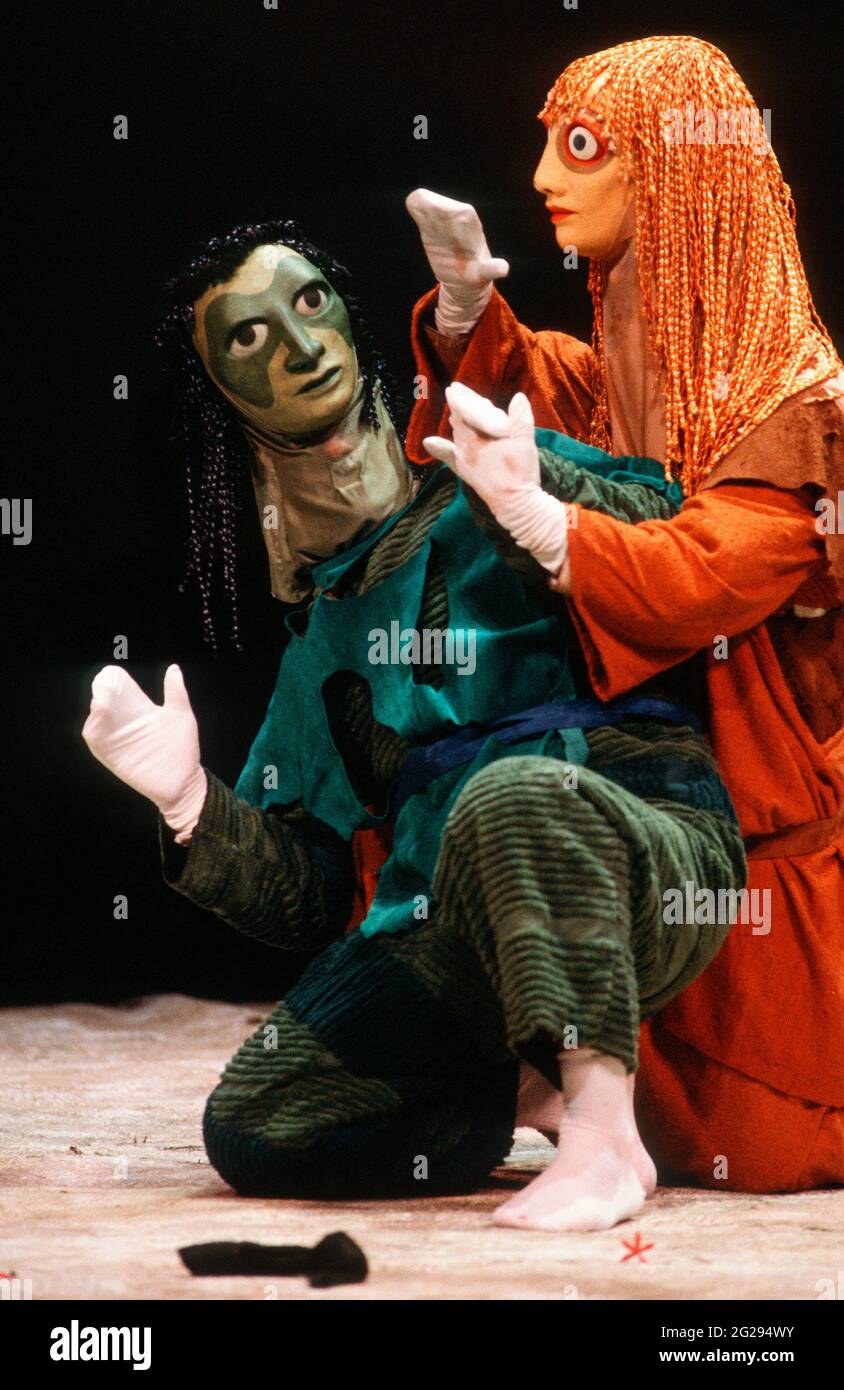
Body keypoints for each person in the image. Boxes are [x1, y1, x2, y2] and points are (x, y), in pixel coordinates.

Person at [81, 220, 746, 1231]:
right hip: (459, 920)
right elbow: (308, 895)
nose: (300, 347)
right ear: (221, 394)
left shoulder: (490, 463)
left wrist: (546, 501)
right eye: (249, 338)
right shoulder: (322, 639)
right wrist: (190, 804)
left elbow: (673, 532)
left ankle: (606, 1138)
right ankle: (521, 1086)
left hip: (635, 843)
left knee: (512, 793)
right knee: (260, 1118)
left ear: (349, 320)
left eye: (308, 305)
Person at [407, 34, 844, 1194]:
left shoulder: (797, 410)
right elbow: (547, 401)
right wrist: (466, 316)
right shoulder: (651, 361)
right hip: (655, 771)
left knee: (761, 1144)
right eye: (548, 144)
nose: (546, 176)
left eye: (582, 147)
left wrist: (557, 531)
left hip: (757, 832)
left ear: (676, 176)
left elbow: (710, 568)